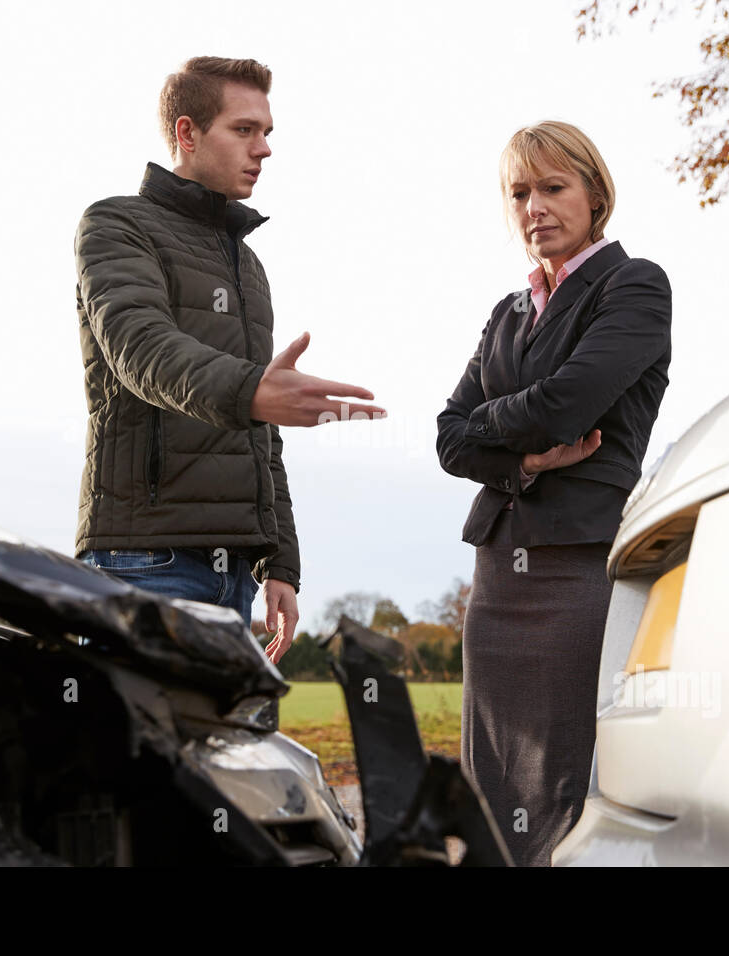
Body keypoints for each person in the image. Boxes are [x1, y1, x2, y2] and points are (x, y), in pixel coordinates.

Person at [73, 56, 382, 663]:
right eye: (244, 130)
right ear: (187, 134)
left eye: (266, 132)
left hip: (233, 574)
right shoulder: (115, 224)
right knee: (135, 759)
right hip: (142, 564)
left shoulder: (248, 266)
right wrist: (253, 393)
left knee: (220, 759)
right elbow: (142, 349)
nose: (263, 148)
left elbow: (258, 428)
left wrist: (281, 563)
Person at [435, 120, 672, 865]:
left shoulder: (634, 285)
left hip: (580, 564)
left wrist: (495, 425)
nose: (534, 205)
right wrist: (527, 460)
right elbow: (449, 438)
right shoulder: (507, 312)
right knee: (492, 772)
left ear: (595, 194)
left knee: (567, 773)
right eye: (519, 192)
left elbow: (568, 403)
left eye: (552, 187)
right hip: (499, 573)